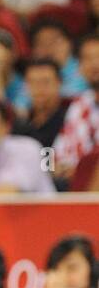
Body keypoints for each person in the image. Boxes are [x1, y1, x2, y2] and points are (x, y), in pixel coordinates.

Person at [52, 32, 99, 183]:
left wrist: (83, 171)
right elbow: (54, 155)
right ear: (79, 67)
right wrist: (53, 168)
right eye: (88, 58)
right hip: (73, 186)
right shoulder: (78, 105)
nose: (95, 63)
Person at [14, 58, 70, 153]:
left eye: (45, 82)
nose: (39, 88)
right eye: (33, 82)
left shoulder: (71, 119)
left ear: (59, 83)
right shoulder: (20, 126)